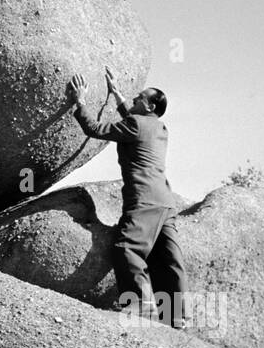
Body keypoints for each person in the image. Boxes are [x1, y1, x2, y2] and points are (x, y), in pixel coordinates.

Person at [66, 67, 187, 328]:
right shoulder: (159, 127)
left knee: (126, 249)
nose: (133, 100)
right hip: (166, 203)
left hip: (143, 201)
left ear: (151, 105)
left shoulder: (136, 124)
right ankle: (176, 317)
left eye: (139, 97)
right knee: (169, 261)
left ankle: (141, 309)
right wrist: (117, 93)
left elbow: (96, 128)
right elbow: (134, 124)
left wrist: (80, 102)